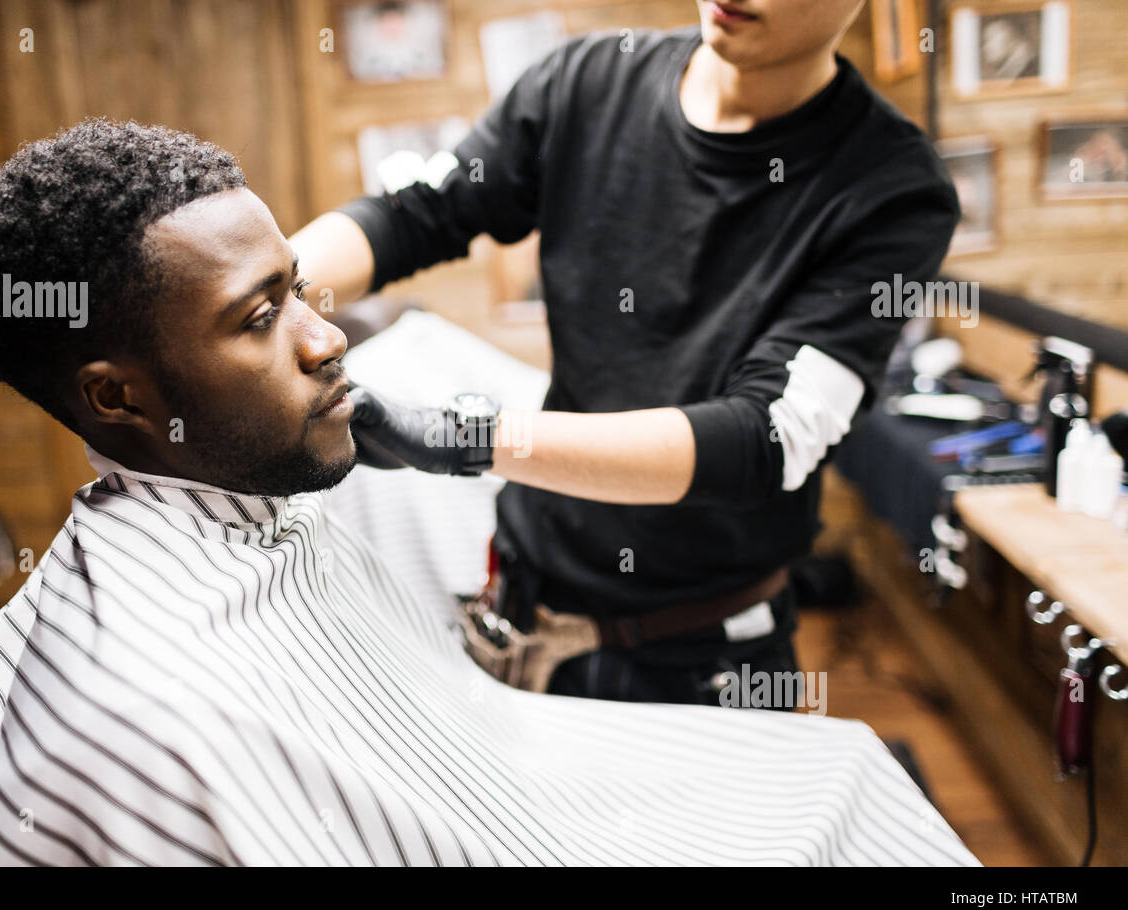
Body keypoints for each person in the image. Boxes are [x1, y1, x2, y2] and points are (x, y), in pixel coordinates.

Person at [0, 120, 975, 866]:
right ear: (117, 398)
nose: (329, 341)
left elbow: (766, 436)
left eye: (300, 287)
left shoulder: (263, 497)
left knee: (838, 770)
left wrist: (467, 432)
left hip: (551, 766)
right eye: (262, 314)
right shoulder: (140, 699)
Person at [291, 0, 961, 706]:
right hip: (524, 602)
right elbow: (413, 213)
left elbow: (763, 438)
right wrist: (258, 289)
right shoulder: (587, 84)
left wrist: (467, 441)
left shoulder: (892, 190)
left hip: (703, 661)